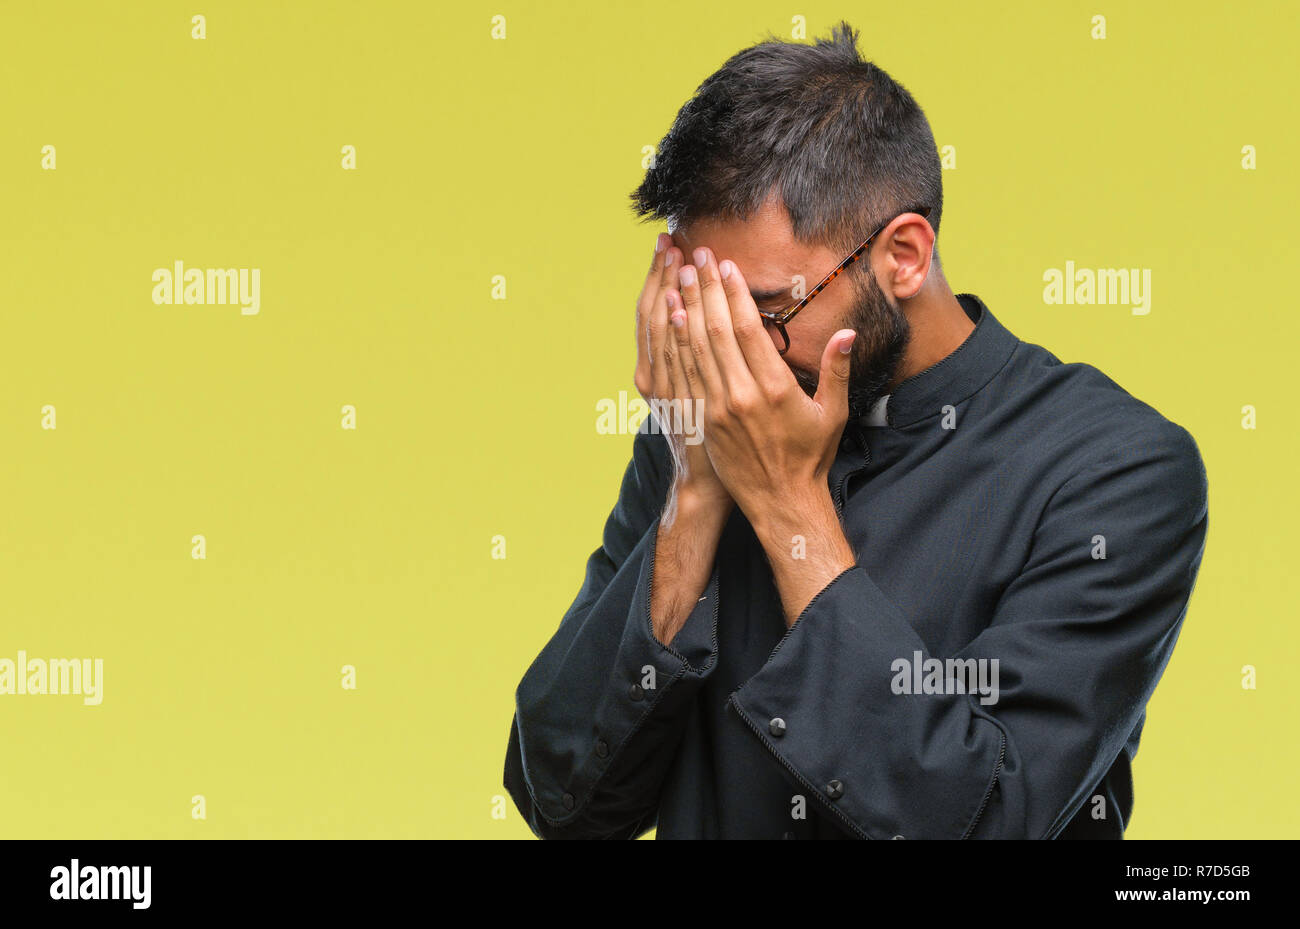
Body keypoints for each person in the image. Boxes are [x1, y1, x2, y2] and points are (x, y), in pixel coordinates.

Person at [502, 20, 1208, 839]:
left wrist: (786, 504)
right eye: (704, 310)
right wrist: (696, 493)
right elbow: (565, 802)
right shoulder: (705, 428)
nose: (735, 357)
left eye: (765, 312)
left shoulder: (1116, 467)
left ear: (903, 256)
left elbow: (986, 823)